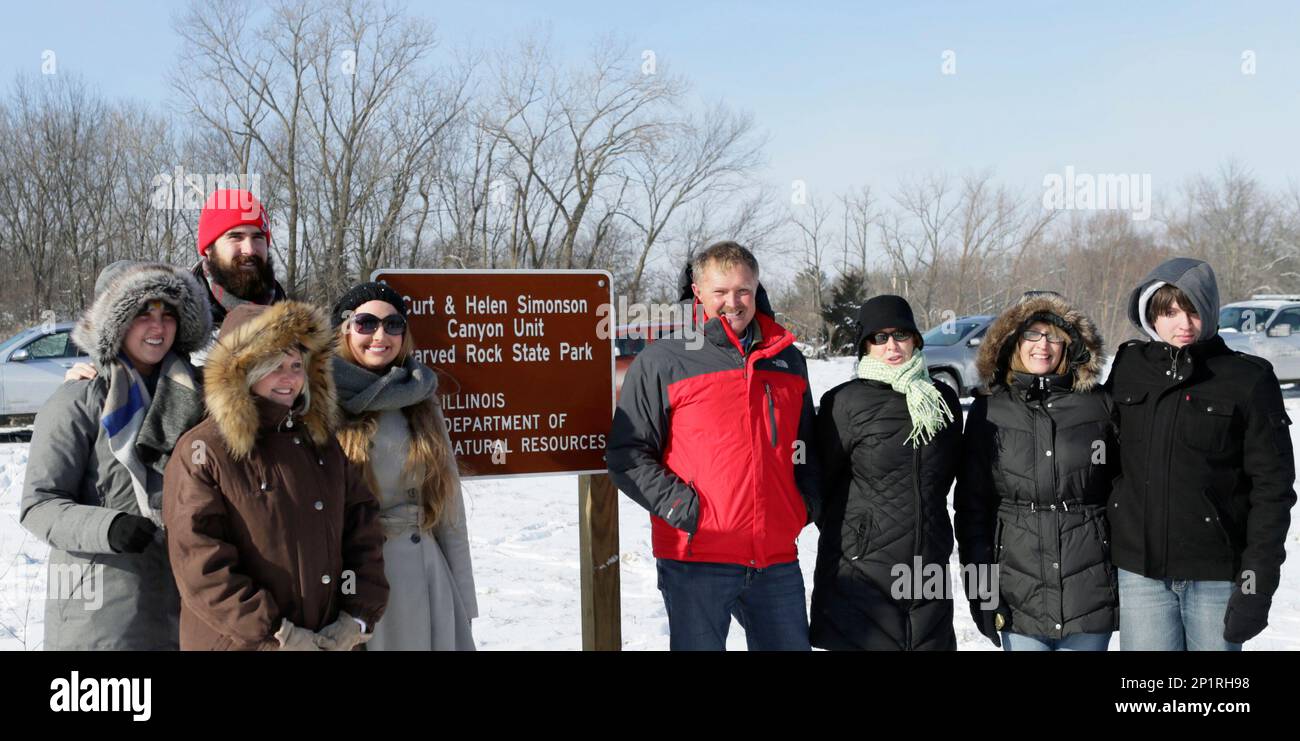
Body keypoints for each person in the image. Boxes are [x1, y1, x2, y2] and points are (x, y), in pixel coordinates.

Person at [607, 240, 821, 651]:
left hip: (775, 556)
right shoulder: (664, 359)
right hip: (696, 556)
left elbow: (806, 443)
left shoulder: (787, 359)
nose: (732, 302)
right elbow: (627, 454)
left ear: (756, 289)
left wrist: (803, 504)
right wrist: (685, 510)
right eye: (720, 292)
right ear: (698, 290)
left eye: (742, 290)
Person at [163, 301, 389, 650]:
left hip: (329, 641)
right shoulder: (203, 451)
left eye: (296, 365)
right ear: (240, 370)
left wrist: (355, 615)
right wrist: (277, 633)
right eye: (272, 366)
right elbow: (202, 566)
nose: (289, 378)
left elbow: (362, 528)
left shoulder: (321, 443)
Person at [1106, 257, 1295, 650]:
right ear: (1151, 315)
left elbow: (1272, 489)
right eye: (1170, 312)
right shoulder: (1128, 369)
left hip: (1216, 576)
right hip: (1141, 577)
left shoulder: (1248, 378)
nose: (1183, 324)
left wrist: (1257, 584)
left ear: (1209, 311)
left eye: (1193, 310)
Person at [21, 261, 211, 649]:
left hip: (188, 604)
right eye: (143, 313)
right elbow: (38, 506)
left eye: (168, 314)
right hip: (103, 611)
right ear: (115, 321)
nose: (157, 327)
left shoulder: (204, 397)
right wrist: (109, 527)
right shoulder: (79, 400)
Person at [955, 292, 1118, 650]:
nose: (1042, 345)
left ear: (1070, 344)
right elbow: (972, 511)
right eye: (1032, 335)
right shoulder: (989, 411)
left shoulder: (1100, 406)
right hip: (1018, 598)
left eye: (1053, 336)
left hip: (1088, 593)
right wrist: (981, 592)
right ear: (1014, 341)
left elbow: (1123, 496)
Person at [810, 295, 962, 650]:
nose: (891, 345)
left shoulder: (940, 400)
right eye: (879, 337)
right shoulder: (843, 403)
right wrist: (861, 535)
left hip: (928, 569)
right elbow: (824, 486)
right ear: (865, 345)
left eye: (901, 334)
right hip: (861, 571)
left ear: (916, 340)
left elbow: (949, 477)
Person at [331, 282, 477, 650]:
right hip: (357, 585)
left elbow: (450, 513)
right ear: (344, 329)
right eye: (366, 323)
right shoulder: (319, 402)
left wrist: (463, 602)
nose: (380, 335)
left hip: (428, 579)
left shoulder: (422, 399)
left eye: (393, 324)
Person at [65, 188, 288, 383]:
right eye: (235, 237)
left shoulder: (292, 321)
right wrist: (92, 379)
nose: (249, 249)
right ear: (208, 249)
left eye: (258, 237)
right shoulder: (172, 317)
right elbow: (132, 374)